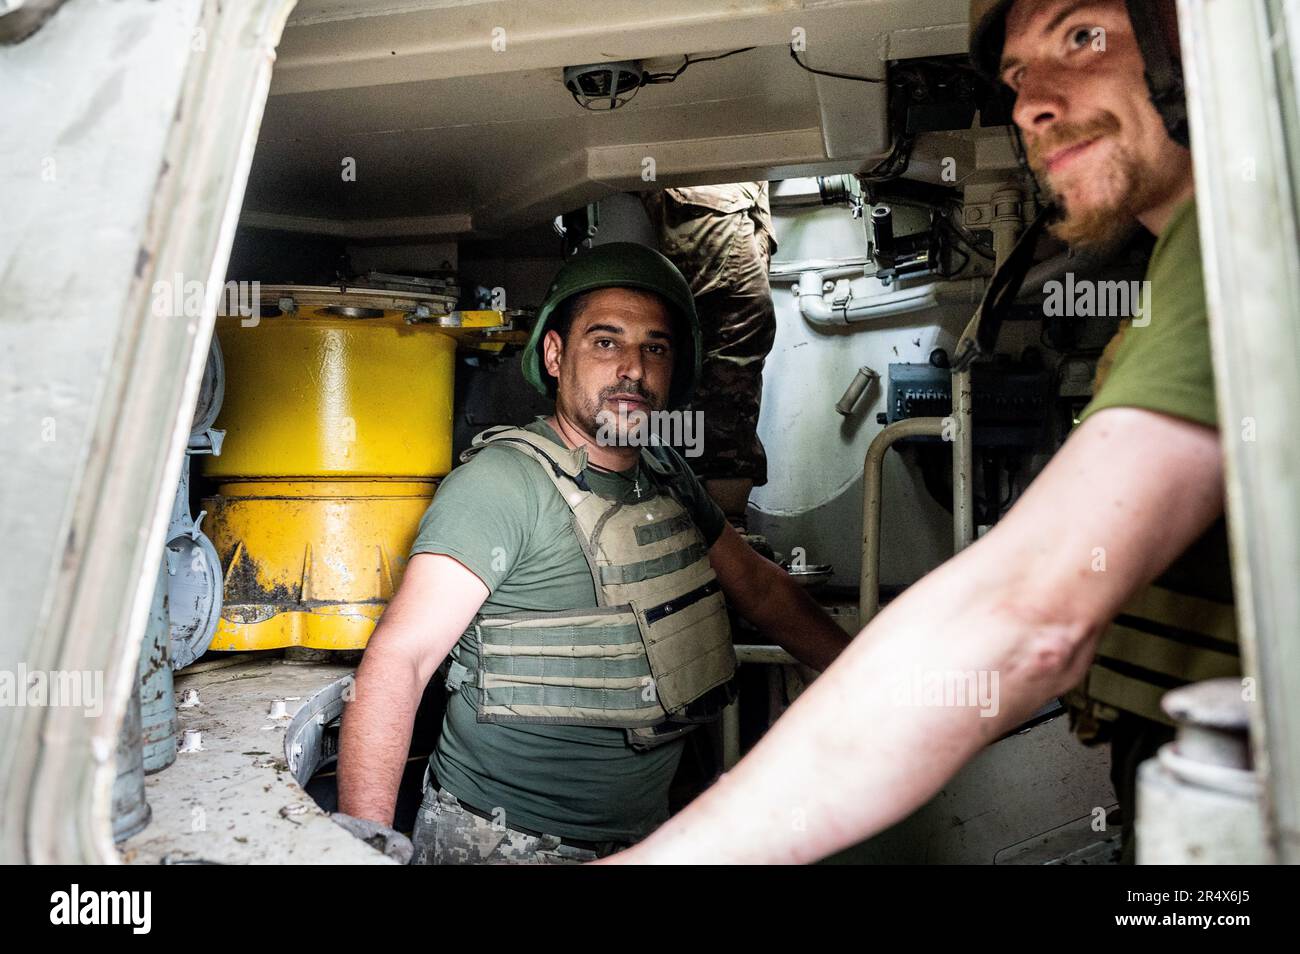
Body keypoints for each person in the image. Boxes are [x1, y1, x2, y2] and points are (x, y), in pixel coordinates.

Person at [601, 0, 1237, 865]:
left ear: (1192, 40)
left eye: (1081, 38)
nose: (1031, 105)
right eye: (1015, 76)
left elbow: (1030, 616)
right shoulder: (1204, 254)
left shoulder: (1236, 244)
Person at [335, 242, 850, 864]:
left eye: (654, 347)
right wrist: (364, 849)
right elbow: (401, 660)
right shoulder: (502, 484)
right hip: (505, 844)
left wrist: (868, 679)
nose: (632, 367)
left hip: (642, 839)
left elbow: (762, 590)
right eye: (606, 342)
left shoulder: (666, 474)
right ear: (554, 356)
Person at [640, 184, 779, 532]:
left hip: (730, 202)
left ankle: (715, 532)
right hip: (712, 195)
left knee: (725, 367)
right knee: (726, 366)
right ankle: (723, 534)